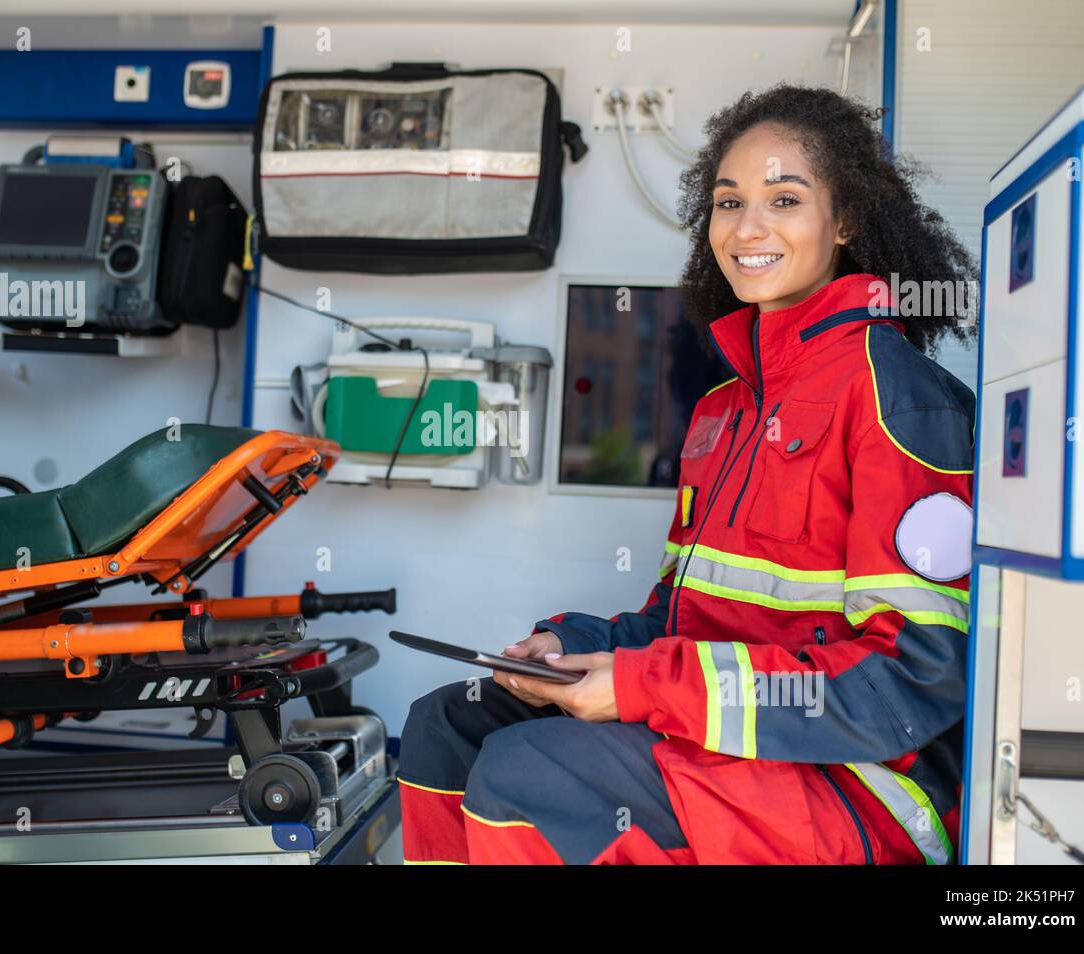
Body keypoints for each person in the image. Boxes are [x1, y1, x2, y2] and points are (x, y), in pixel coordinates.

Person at [398, 84, 978, 865]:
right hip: (724, 746)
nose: (748, 228)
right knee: (449, 725)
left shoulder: (898, 397)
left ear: (845, 223)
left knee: (528, 772)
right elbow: (679, 622)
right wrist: (572, 646)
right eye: (728, 202)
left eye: (784, 199)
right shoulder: (724, 410)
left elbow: (908, 680)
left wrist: (645, 688)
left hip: (856, 787)